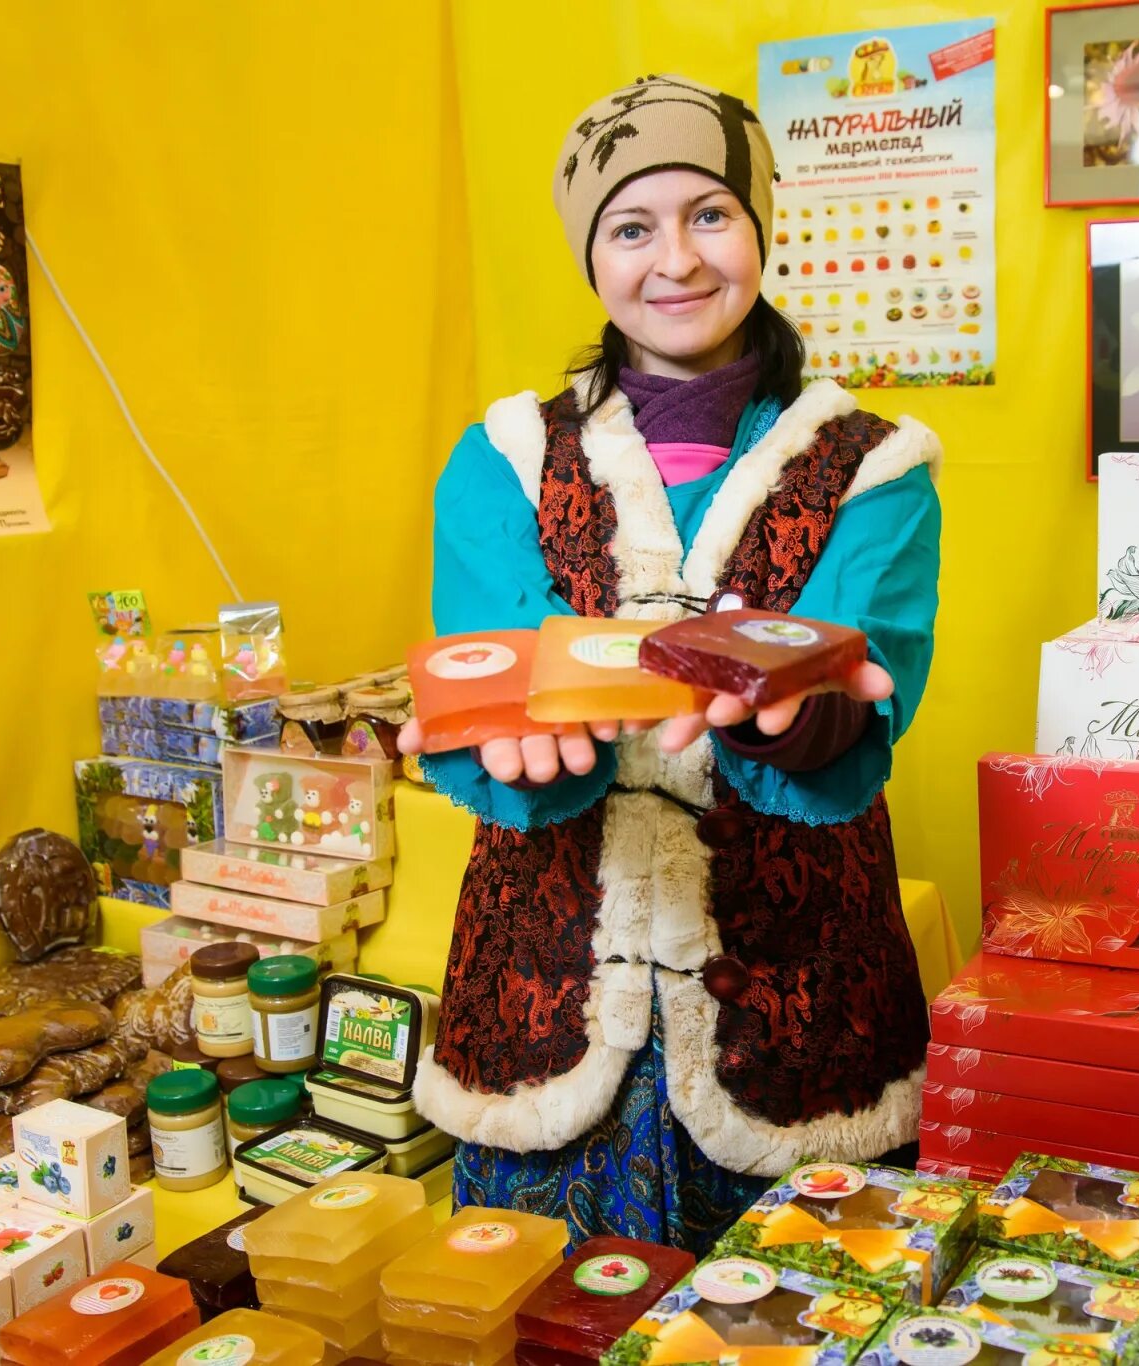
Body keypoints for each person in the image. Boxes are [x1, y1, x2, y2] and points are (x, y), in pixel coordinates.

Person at [401, 74, 943, 1252]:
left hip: (797, 988)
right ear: (591, 257)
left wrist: (787, 721)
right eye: (631, 228)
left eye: (709, 215)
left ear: (759, 227)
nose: (677, 261)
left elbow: (869, 675)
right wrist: (512, 739)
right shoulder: (500, 458)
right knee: (545, 1312)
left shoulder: (873, 464)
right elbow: (500, 668)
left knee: (799, 1311)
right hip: (544, 978)